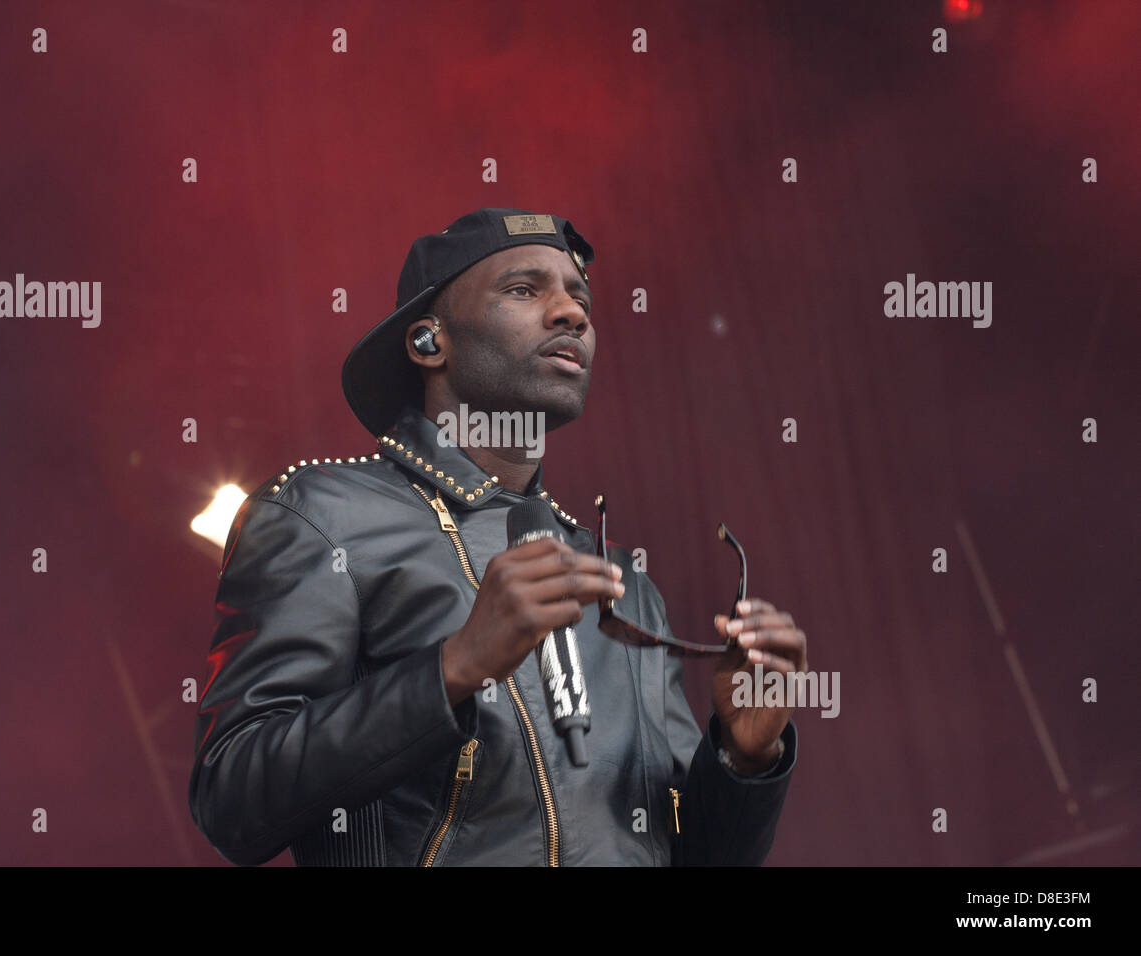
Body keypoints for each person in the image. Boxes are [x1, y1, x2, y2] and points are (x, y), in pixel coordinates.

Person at [188, 207, 809, 866]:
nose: (572, 313)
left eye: (580, 298)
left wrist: (744, 759)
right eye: (524, 289)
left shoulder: (622, 583)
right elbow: (232, 798)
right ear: (430, 342)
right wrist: (451, 669)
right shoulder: (323, 515)